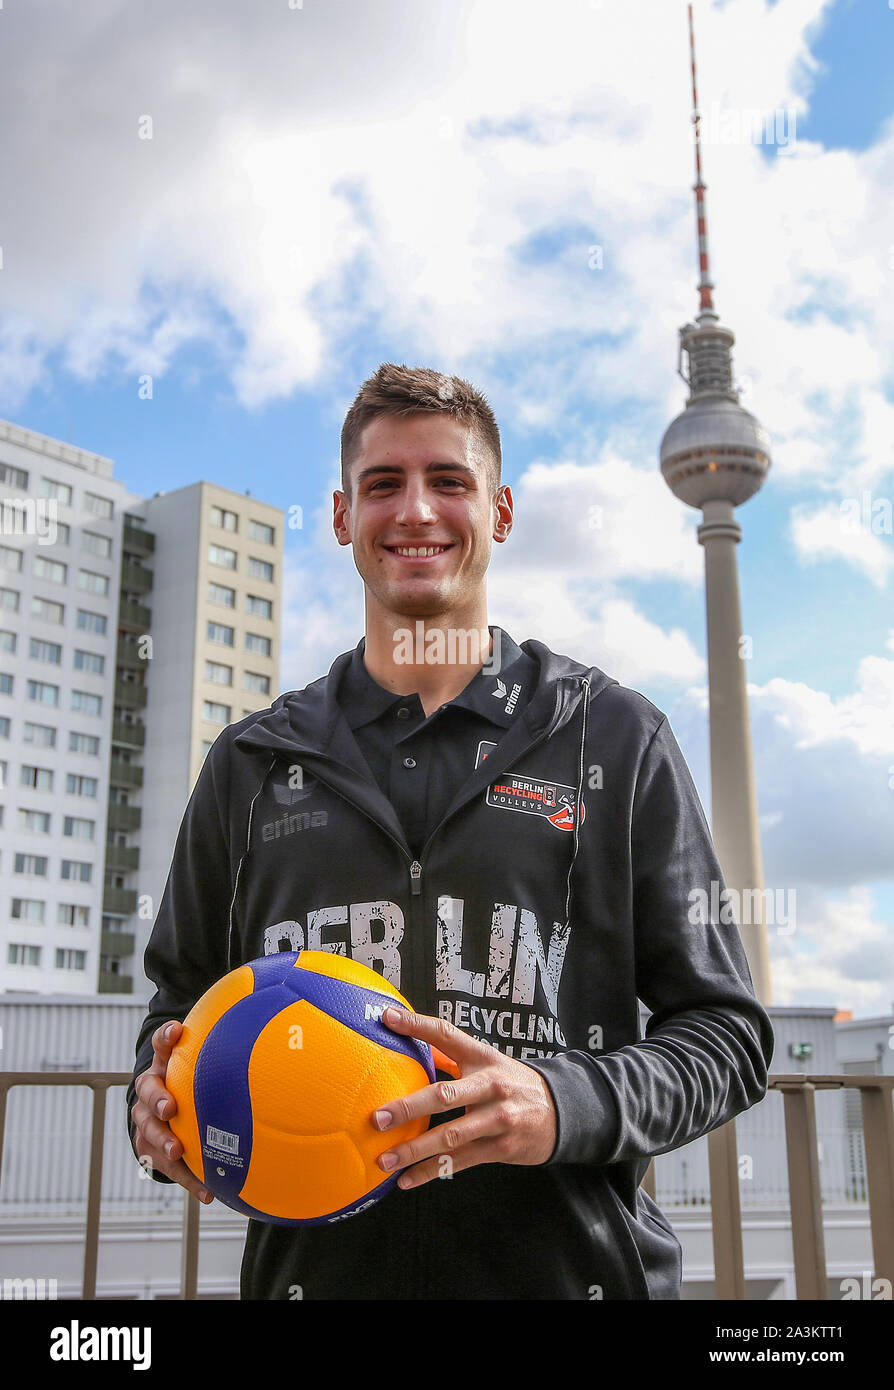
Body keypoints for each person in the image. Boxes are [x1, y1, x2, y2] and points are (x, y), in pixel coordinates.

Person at [128, 362, 774, 1300]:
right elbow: (175, 1013)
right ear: (343, 517)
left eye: (449, 482)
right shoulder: (253, 764)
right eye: (382, 484)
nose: (416, 511)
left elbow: (728, 1036)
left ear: (501, 513)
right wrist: (151, 1114)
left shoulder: (614, 738)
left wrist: (561, 1103)